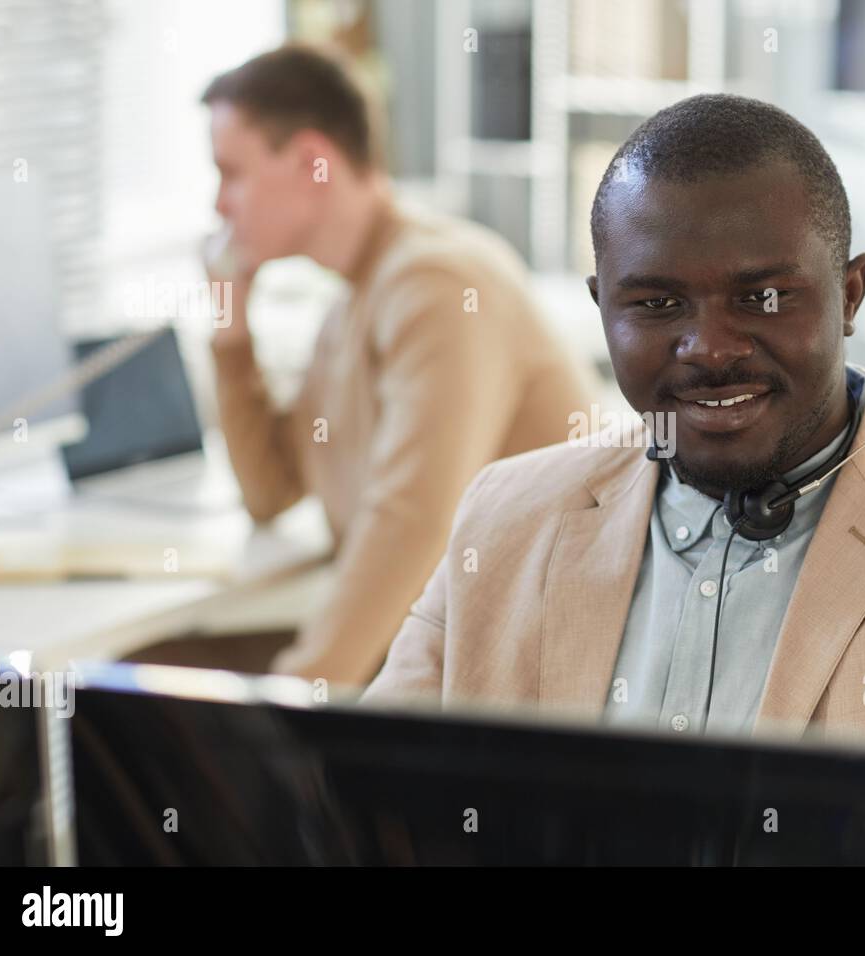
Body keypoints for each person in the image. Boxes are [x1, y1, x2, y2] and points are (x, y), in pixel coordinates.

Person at [363, 94, 865, 764]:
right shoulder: (504, 515)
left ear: (850, 293)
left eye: (762, 298)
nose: (711, 348)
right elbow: (369, 809)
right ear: (602, 306)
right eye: (657, 305)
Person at [198, 45, 595, 684]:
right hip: (444, 651)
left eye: (231, 173)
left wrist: (293, 699)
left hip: (518, 674)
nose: (220, 204)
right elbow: (270, 492)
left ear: (311, 163)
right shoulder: (351, 301)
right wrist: (230, 327)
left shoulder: (436, 282)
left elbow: (412, 524)